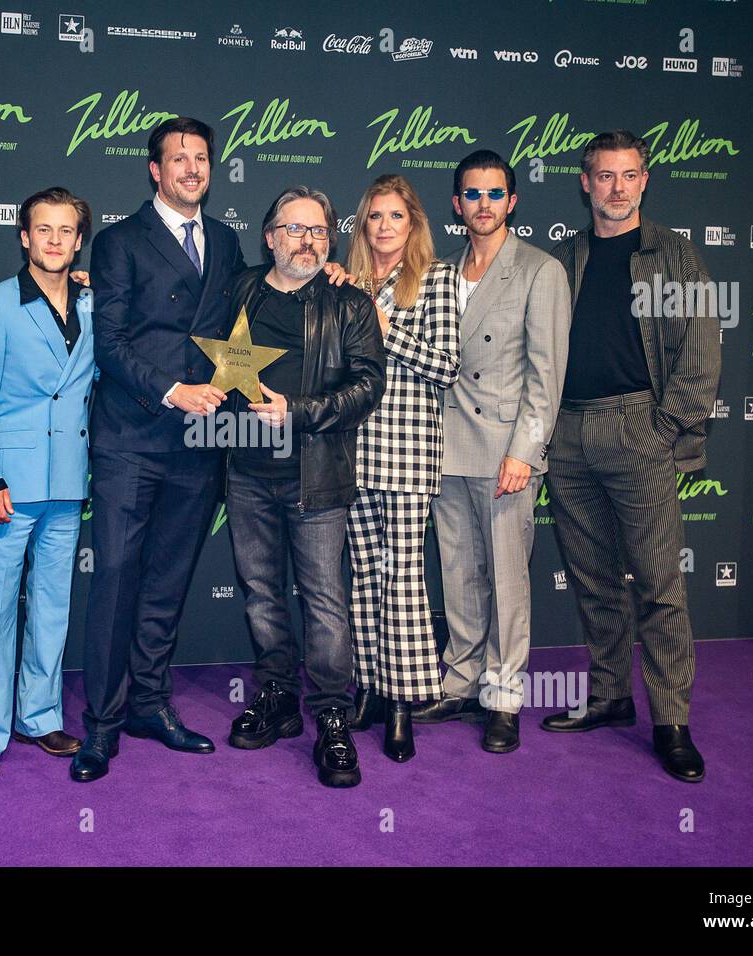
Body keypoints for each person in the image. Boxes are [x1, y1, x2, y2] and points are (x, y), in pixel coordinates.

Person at [71, 117, 247, 783]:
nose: (192, 168)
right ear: (155, 169)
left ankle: (149, 703)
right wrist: (173, 390)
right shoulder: (120, 242)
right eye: (179, 158)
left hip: (199, 445)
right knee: (116, 580)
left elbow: (243, 323)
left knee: (168, 583)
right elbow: (110, 344)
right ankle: (102, 723)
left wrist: (327, 270)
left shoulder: (226, 241)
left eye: (201, 158)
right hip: (131, 439)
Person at [542, 130, 721, 783]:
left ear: (644, 181)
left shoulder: (673, 255)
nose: (617, 188)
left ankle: (671, 721)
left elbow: (701, 350)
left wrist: (665, 427)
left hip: (638, 428)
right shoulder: (564, 258)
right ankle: (610, 696)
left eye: (629, 175)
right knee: (592, 578)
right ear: (585, 182)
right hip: (567, 433)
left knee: (658, 585)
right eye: (605, 176)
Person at [225, 186, 385, 788]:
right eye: (294, 229)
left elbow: (367, 386)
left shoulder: (349, 303)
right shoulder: (240, 289)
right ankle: (278, 697)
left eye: (318, 231)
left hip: (316, 477)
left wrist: (295, 411)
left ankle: (333, 716)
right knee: (261, 594)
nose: (307, 240)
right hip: (246, 474)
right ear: (270, 237)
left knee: (324, 602)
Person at [415, 151, 571, 755]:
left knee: (507, 581)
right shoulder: (440, 271)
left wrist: (525, 451)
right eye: (473, 194)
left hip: (505, 450)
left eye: (495, 193)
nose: (484, 204)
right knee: (458, 574)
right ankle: (461, 680)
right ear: (457, 205)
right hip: (445, 447)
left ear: (513, 200)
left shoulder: (539, 270)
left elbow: (546, 374)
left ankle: (503, 696)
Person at [0, 187, 96, 780]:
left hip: (67, 483)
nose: (55, 240)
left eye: (66, 230)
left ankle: (39, 716)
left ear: (79, 240)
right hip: (7, 486)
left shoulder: (94, 305)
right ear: (24, 237)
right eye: (44, 229)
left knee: (52, 607)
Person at [342, 174, 460, 762]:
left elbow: (447, 366)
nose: (385, 226)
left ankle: (401, 702)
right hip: (352, 448)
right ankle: (366, 684)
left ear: (413, 223)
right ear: (362, 226)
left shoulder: (436, 279)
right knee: (364, 573)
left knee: (404, 576)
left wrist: (388, 332)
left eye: (396, 216)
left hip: (409, 449)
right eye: (375, 216)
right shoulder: (348, 282)